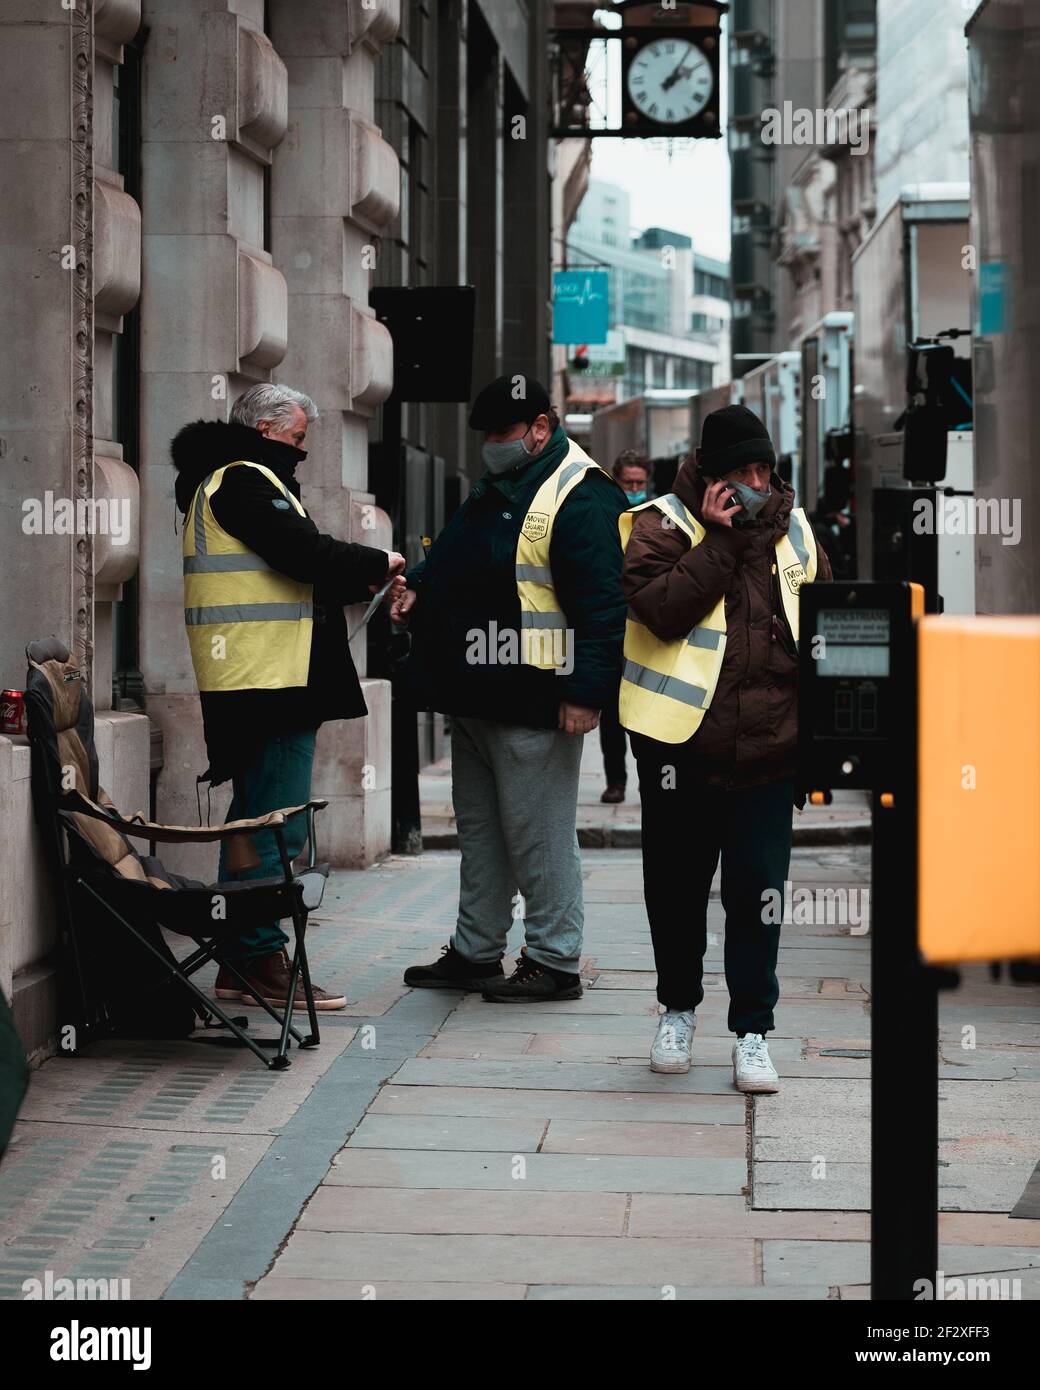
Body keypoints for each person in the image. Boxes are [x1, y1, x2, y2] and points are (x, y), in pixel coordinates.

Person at [393, 374, 627, 1002]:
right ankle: (476, 950)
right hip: (474, 690)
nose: (492, 444)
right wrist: (418, 585)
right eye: (487, 434)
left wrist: (587, 692)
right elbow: (455, 557)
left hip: (535, 696)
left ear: (541, 428)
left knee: (540, 832)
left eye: (503, 433)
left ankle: (554, 960)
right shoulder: (499, 486)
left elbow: (604, 603)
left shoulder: (582, 493)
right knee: (483, 831)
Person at [171, 383, 405, 1011]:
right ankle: (258, 959)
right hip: (267, 678)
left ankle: (241, 959)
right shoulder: (243, 480)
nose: (303, 450)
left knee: (255, 818)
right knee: (279, 821)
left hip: (255, 674)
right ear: (269, 430)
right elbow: (302, 555)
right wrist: (379, 560)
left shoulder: (217, 480)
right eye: (299, 438)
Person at [619, 404, 832, 1091]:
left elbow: (828, 624)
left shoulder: (795, 530)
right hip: (681, 754)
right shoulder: (659, 525)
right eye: (739, 471)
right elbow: (658, 610)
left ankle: (752, 1033)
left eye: (762, 469)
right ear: (709, 474)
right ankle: (677, 1011)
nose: (754, 483)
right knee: (677, 895)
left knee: (758, 897)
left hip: (771, 754)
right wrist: (717, 541)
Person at [600, 450, 652, 804]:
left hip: (646, 626)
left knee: (645, 711)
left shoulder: (656, 519)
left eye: (640, 483)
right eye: (628, 482)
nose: (634, 489)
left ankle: (649, 777)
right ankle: (615, 780)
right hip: (611, 624)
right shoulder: (604, 517)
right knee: (612, 712)